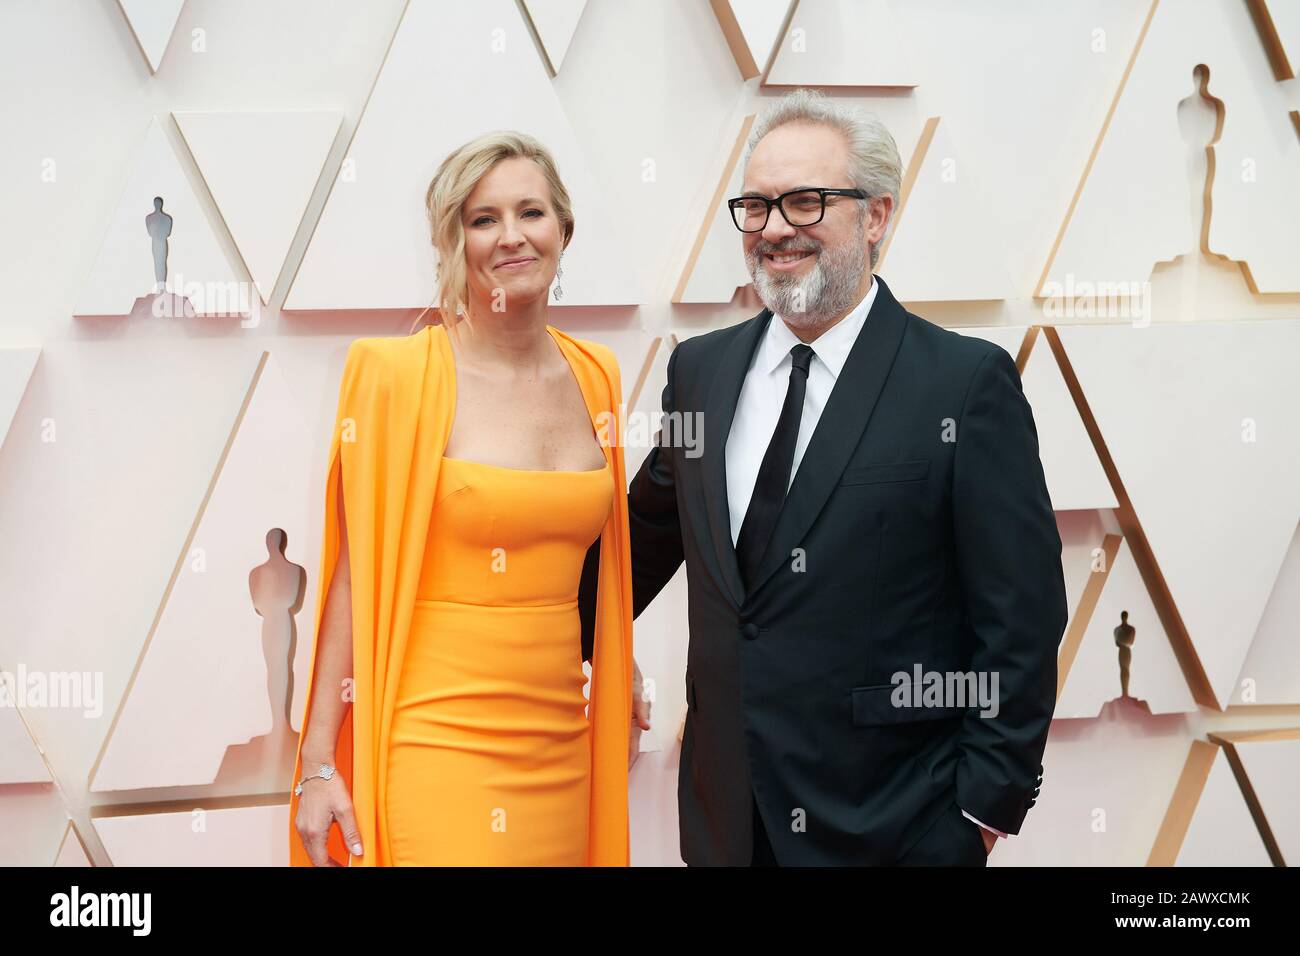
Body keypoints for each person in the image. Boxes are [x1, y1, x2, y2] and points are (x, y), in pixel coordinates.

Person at [611, 89, 1067, 865]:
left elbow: (1021, 622)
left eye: (805, 201)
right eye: (755, 207)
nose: (775, 228)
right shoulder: (699, 373)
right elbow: (633, 551)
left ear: (877, 215)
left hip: (896, 831)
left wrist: (978, 817)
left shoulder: (964, 385)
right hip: (726, 828)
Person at [288, 131, 634, 866]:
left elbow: (593, 565)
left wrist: (620, 659)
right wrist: (319, 758)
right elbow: (353, 577)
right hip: (437, 740)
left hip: (561, 743)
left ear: (563, 231)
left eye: (531, 213)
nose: (511, 236)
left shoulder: (597, 374)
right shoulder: (396, 375)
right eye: (483, 219)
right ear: (451, 243)